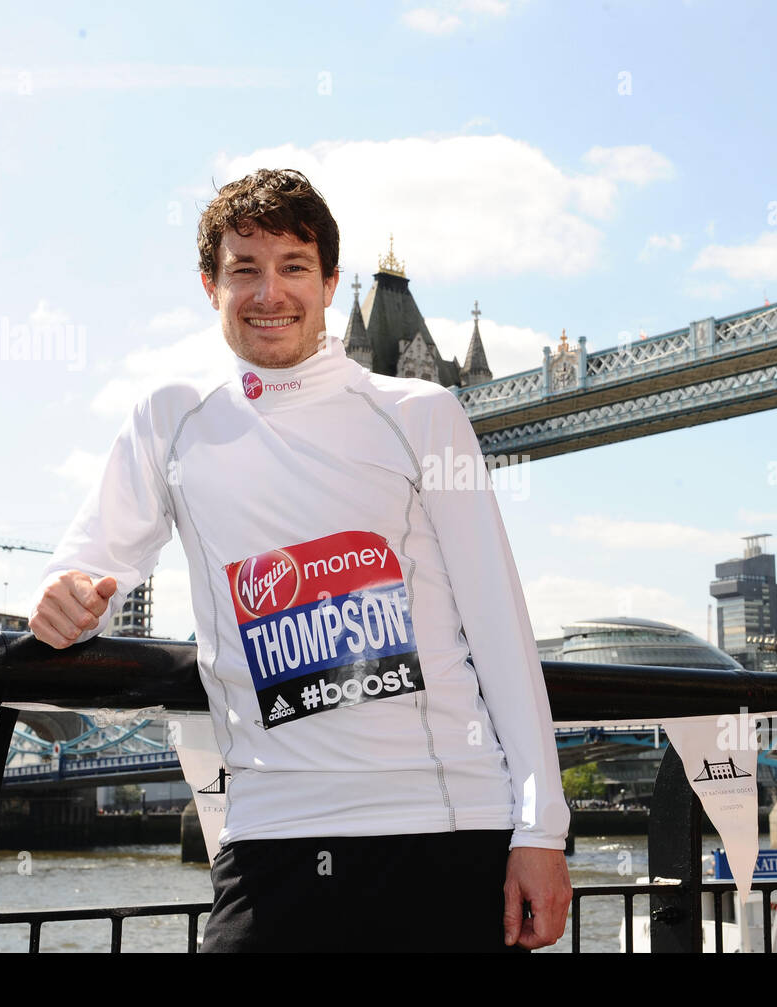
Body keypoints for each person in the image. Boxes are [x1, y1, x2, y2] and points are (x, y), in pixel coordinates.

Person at [28, 168, 572, 952]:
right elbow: (88, 568)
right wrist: (66, 594)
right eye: (244, 270)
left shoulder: (420, 413)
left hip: (445, 825)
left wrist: (540, 829)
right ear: (210, 284)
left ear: (329, 284)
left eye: (293, 268)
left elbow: (501, 630)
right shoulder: (171, 418)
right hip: (271, 831)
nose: (268, 293)